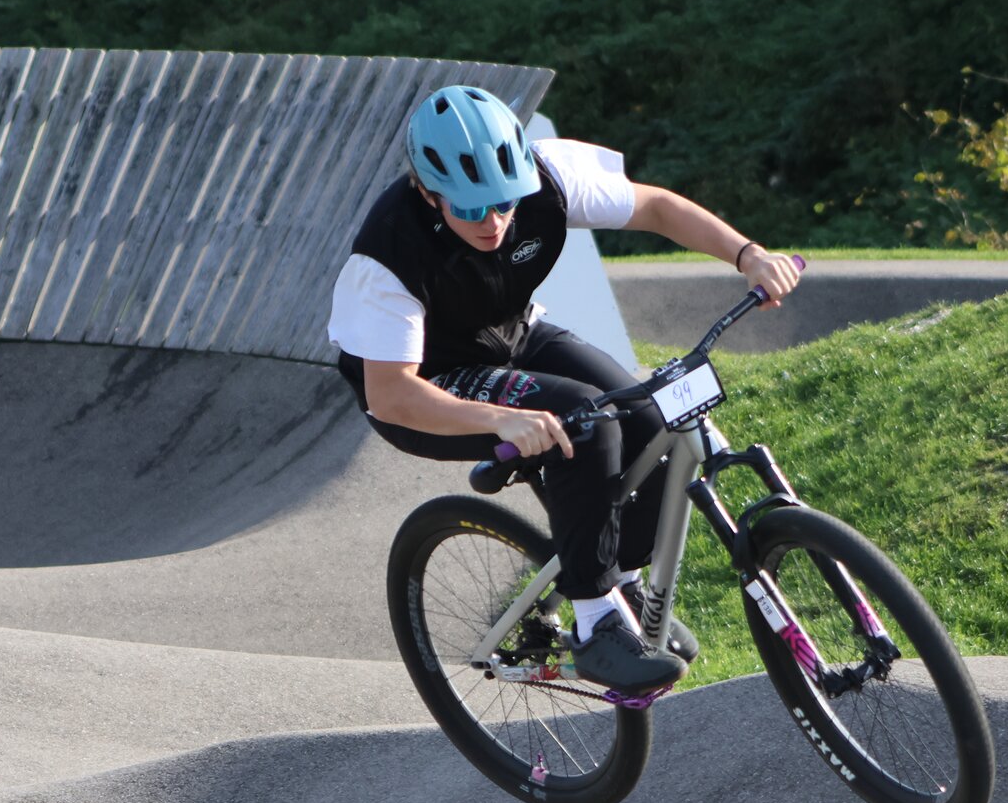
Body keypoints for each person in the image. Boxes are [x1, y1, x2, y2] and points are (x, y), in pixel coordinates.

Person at [329, 85, 802, 694]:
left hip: (512, 334)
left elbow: (655, 207)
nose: (494, 223)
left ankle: (619, 583)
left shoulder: (549, 178)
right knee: (585, 421)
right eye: (471, 210)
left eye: (504, 204)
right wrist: (497, 420)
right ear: (427, 191)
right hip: (425, 381)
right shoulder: (388, 255)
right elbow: (390, 396)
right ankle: (596, 622)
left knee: (655, 416)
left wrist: (747, 253)